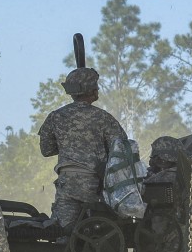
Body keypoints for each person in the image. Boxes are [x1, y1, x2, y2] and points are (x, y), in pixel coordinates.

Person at [37, 67, 128, 229]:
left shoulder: (55, 116)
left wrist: (68, 144)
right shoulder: (103, 118)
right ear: (92, 90)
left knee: (62, 233)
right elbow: (121, 149)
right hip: (96, 186)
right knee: (99, 231)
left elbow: (46, 150)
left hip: (67, 184)